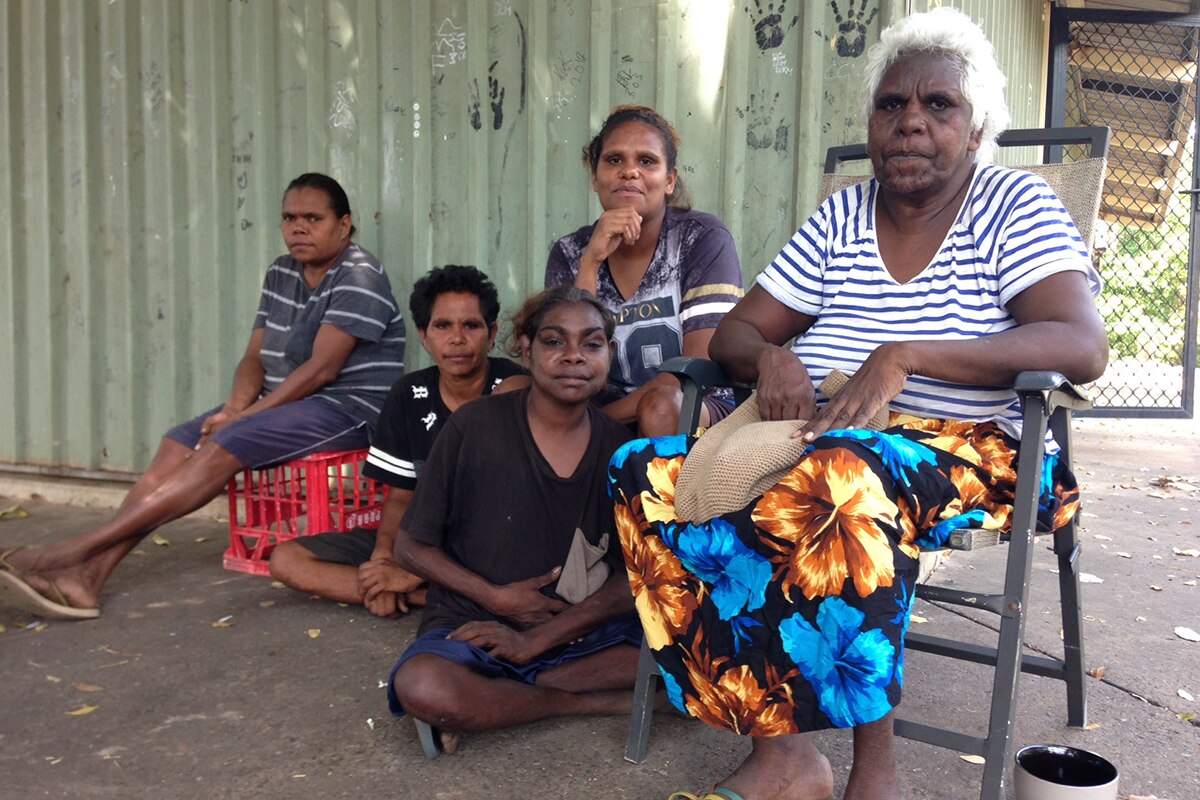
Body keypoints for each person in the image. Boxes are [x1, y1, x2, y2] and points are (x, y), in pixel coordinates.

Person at [608, 8, 1108, 800]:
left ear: (976, 131)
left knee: (839, 478)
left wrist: (903, 357)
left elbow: (1081, 345)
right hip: (825, 433)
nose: (911, 120)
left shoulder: (1014, 206)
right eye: (892, 104)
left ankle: (876, 772)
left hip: (975, 447)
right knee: (643, 471)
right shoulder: (843, 216)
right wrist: (772, 357)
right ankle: (786, 756)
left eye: (938, 105)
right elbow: (738, 329)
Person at [0, 173, 406, 621]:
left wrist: (243, 420)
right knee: (180, 440)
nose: (298, 228)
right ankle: (87, 577)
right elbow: (254, 358)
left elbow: (322, 369)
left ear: (344, 224)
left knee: (225, 443)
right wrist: (235, 409)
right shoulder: (281, 271)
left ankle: (68, 553)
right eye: (289, 218)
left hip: (347, 409)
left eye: (313, 218)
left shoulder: (359, 274)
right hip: (283, 403)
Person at [378, 286, 641, 753]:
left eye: (592, 343)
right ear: (525, 348)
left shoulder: (620, 450)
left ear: (610, 352)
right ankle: (579, 702)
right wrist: (496, 599)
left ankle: (507, 696)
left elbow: (629, 581)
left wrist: (536, 639)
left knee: (686, 662)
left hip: (574, 629)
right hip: (472, 620)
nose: (574, 357)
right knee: (422, 685)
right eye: (555, 341)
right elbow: (410, 547)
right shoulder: (474, 427)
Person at [268, 265, 524, 616]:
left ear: (492, 334)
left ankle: (424, 590)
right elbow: (400, 498)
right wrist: (384, 560)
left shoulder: (515, 388)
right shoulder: (408, 394)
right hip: (421, 539)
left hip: (490, 542)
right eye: (442, 325)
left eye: (472, 325)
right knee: (287, 559)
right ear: (424, 335)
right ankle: (417, 594)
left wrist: (413, 569)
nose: (457, 338)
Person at [544, 104, 744, 436]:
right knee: (512, 394)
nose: (630, 171)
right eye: (614, 160)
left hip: (697, 406)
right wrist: (591, 261)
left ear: (669, 181)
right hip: (596, 413)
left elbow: (697, 370)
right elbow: (564, 357)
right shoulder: (571, 252)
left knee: (659, 405)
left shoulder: (701, 239)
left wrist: (592, 421)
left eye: (647, 161)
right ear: (595, 177)